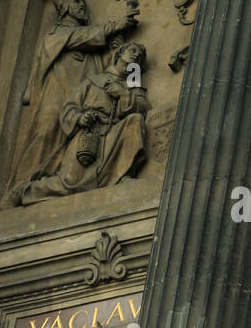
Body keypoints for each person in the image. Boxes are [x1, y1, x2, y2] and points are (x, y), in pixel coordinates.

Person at [5, 0, 136, 204]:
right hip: (56, 93)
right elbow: (80, 37)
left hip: (81, 100)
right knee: (46, 129)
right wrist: (114, 26)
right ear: (64, 7)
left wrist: (117, 45)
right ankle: (22, 184)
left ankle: (67, 180)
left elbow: (105, 69)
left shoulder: (91, 44)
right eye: (77, 2)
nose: (82, 6)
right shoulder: (56, 35)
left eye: (83, 2)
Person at [11, 41, 149, 205]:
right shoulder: (94, 81)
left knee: (135, 120)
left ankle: (120, 175)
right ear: (119, 53)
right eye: (132, 50)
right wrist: (80, 118)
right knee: (71, 182)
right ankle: (25, 192)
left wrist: (123, 93)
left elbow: (143, 107)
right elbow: (70, 107)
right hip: (88, 134)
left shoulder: (133, 86)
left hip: (113, 135)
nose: (136, 55)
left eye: (139, 56)